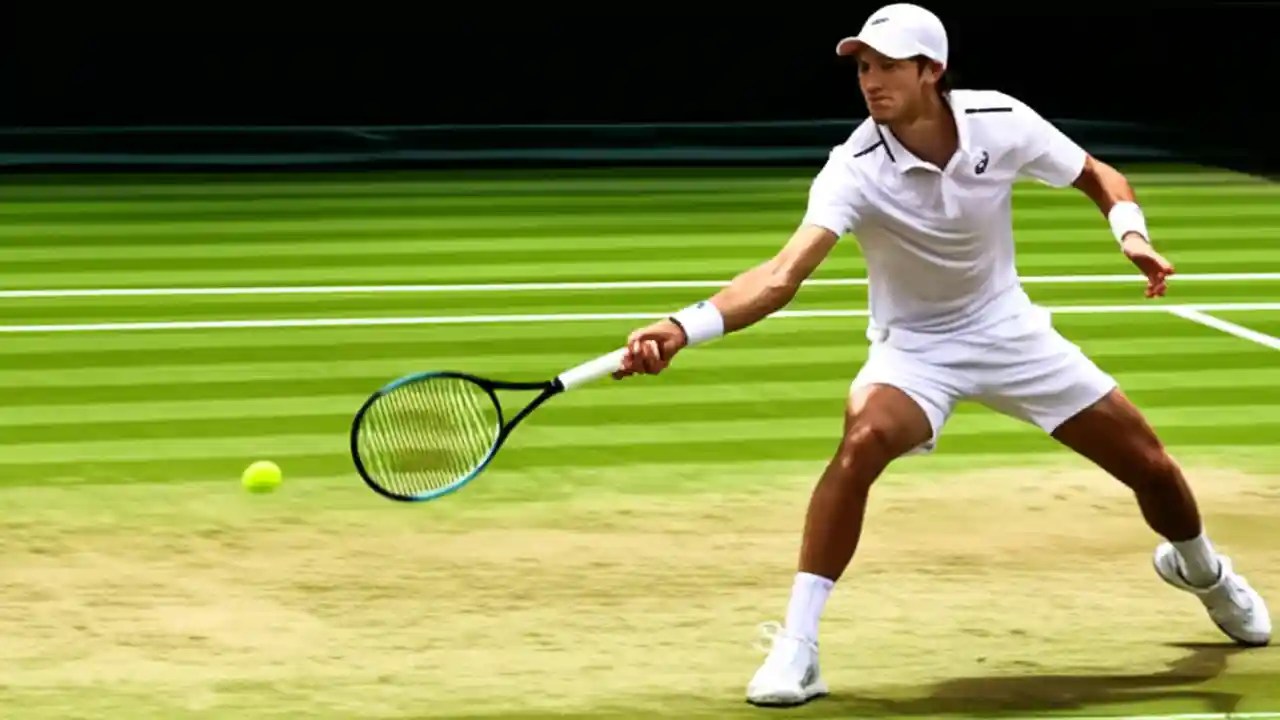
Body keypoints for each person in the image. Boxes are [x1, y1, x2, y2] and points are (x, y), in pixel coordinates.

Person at [609, 1, 1272, 708]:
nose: (870, 80)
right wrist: (683, 327)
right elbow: (779, 278)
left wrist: (1130, 235)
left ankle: (1204, 573)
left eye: (888, 65)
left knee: (1151, 467)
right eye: (863, 66)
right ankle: (798, 649)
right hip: (916, 350)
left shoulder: (999, 121)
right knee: (861, 444)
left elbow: (1096, 174)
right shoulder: (853, 168)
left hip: (1009, 331)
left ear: (932, 71)